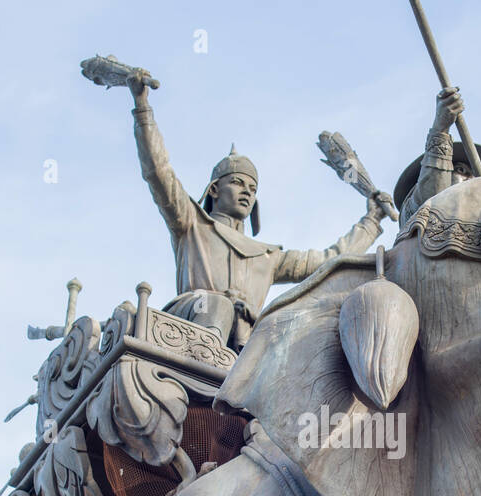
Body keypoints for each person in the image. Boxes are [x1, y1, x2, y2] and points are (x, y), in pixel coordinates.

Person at [126, 69, 393, 349]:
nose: (246, 192)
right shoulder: (191, 224)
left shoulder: (268, 257)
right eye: (238, 183)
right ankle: (203, 370)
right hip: (190, 325)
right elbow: (158, 172)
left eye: (252, 190)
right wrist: (142, 107)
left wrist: (372, 220)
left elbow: (329, 259)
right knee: (217, 305)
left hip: (246, 339)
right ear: (214, 189)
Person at [393, 86, 481, 224]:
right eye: (461, 171)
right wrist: (440, 129)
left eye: (474, 177)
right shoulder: (413, 211)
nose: (470, 179)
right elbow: (432, 202)